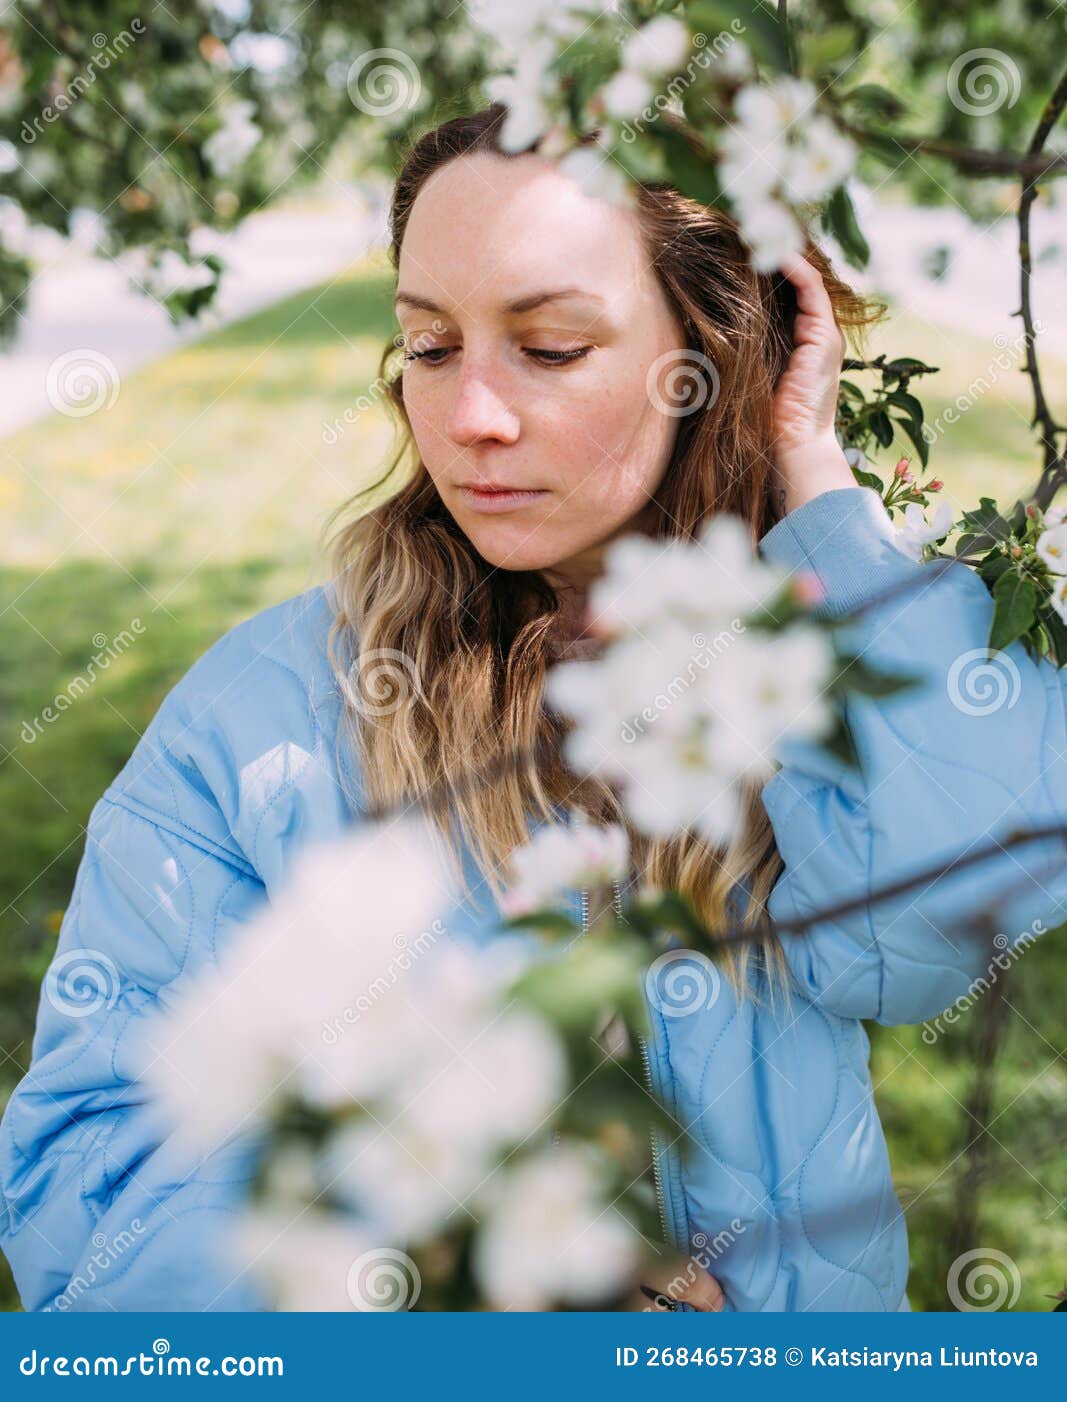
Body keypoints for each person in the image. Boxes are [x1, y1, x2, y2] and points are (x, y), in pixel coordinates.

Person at [1, 104, 1064, 1313]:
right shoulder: (261, 725)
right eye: (430, 347)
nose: (468, 420)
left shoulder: (792, 657)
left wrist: (812, 478)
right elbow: (81, 1175)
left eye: (550, 346)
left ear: (708, 354)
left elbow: (943, 909)